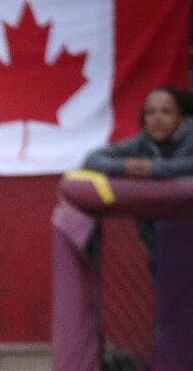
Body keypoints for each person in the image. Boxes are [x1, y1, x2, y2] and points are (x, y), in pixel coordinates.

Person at [82, 86, 193, 266]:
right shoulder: (143, 143)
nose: (157, 119)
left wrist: (154, 169)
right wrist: (125, 166)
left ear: (181, 118)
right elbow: (93, 159)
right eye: (150, 113)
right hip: (158, 243)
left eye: (166, 112)